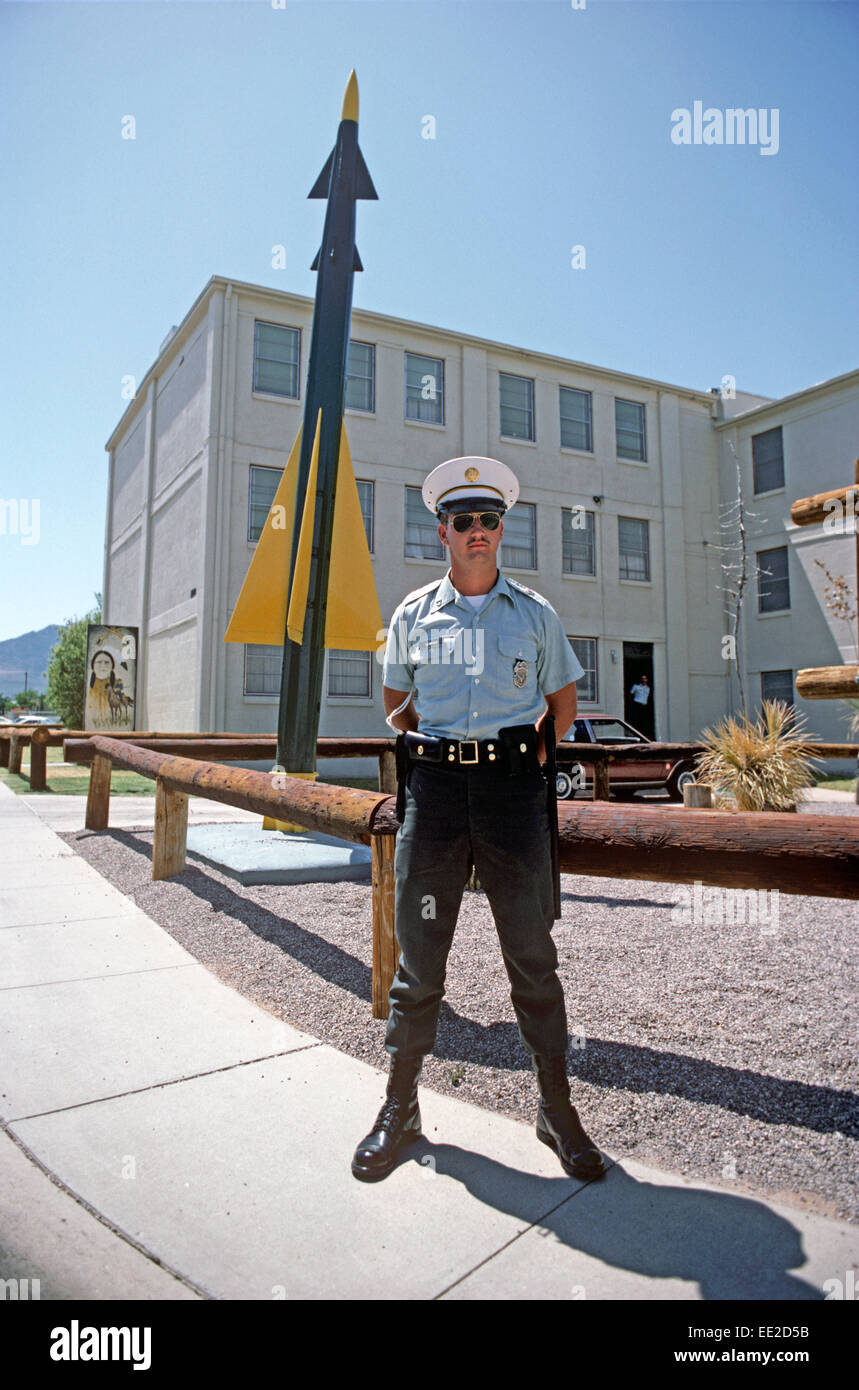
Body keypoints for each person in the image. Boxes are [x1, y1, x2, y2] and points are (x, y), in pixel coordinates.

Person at [351, 455, 606, 1184]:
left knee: (531, 953)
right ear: (442, 531)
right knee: (418, 959)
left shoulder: (535, 614)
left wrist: (518, 765)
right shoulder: (411, 615)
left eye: (488, 520)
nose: (476, 532)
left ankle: (555, 1110)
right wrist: (436, 743)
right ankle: (399, 1108)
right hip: (432, 795)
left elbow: (561, 707)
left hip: (509, 797)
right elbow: (394, 705)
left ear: (501, 530)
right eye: (462, 521)